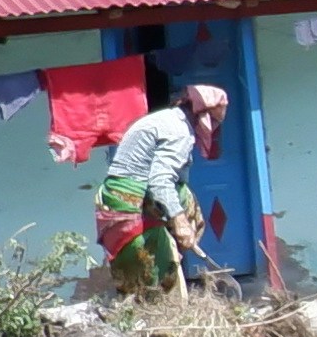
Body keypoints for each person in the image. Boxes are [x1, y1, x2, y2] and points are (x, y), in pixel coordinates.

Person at [97, 81, 231, 296]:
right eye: (214, 122)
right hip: (131, 202)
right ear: (204, 117)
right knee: (154, 274)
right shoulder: (179, 131)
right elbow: (160, 179)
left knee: (139, 278)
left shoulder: (163, 119)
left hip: (113, 201)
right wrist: (180, 222)